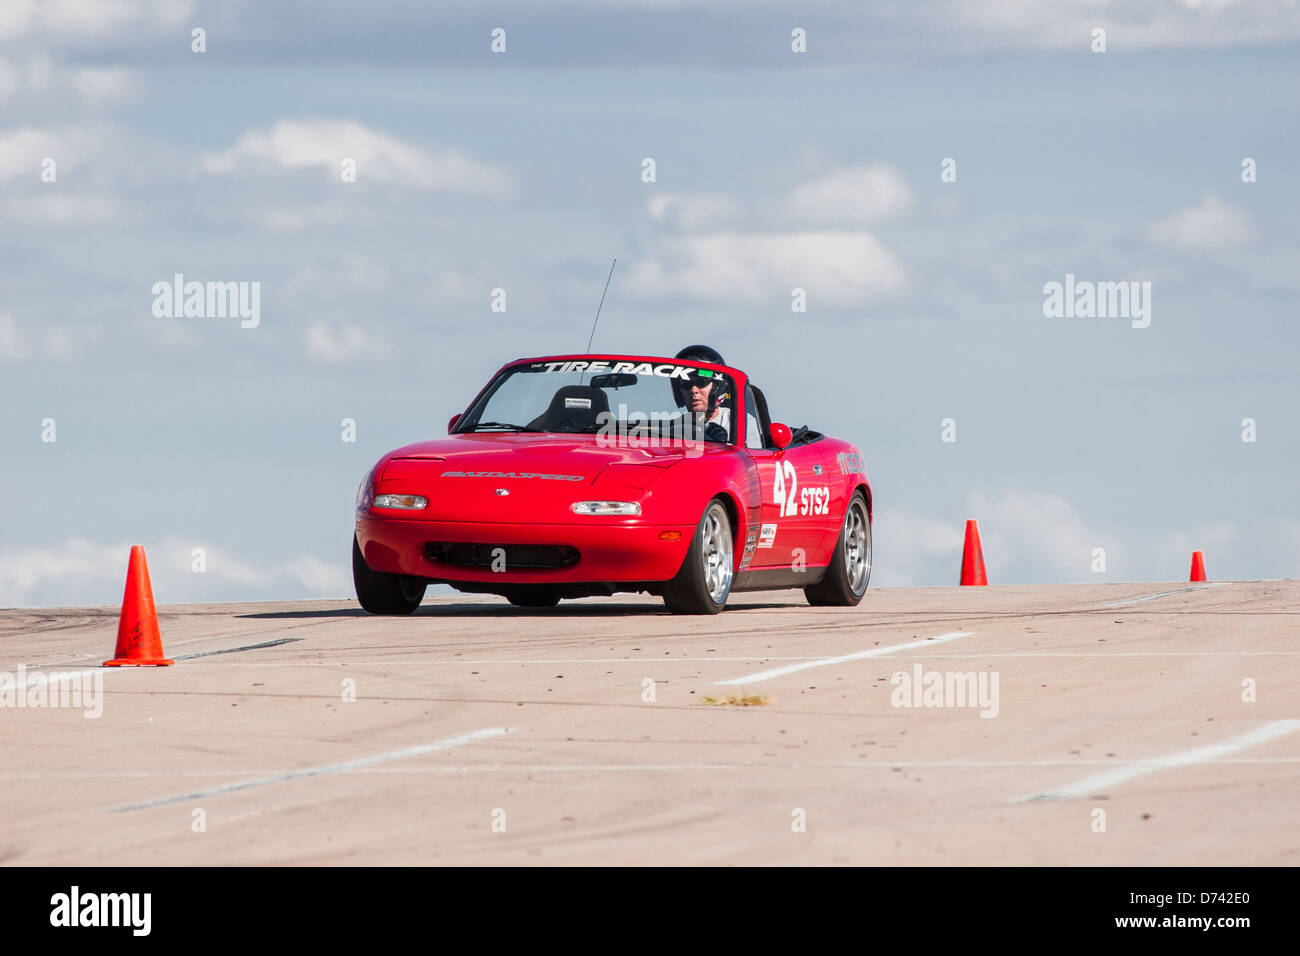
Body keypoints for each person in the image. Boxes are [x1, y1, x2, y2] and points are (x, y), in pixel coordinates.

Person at [671, 345, 731, 443]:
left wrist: (725, 447)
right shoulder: (672, 430)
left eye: (702, 382)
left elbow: (752, 456)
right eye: (686, 384)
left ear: (718, 387)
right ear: (678, 391)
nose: (693, 390)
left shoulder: (742, 424)